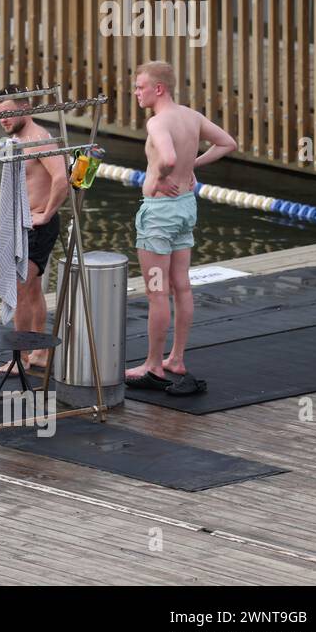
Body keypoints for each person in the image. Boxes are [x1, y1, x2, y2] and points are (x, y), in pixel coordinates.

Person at [126, 61, 236, 394]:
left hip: (159, 215)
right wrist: (194, 165)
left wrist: (158, 178)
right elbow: (228, 142)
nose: (136, 92)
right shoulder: (192, 116)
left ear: (158, 88)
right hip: (186, 208)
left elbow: (169, 158)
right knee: (182, 286)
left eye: (140, 86)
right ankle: (176, 358)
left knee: (157, 292)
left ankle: (153, 365)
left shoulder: (157, 122)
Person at [0, 86, 69, 374]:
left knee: (20, 289)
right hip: (24, 224)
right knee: (33, 290)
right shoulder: (16, 139)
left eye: (10, 113)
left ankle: (20, 357)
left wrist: (46, 214)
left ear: (25, 108)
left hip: (37, 224)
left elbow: (61, 178)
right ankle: (38, 352)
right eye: (0, 115)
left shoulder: (38, 140)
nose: (4, 119)